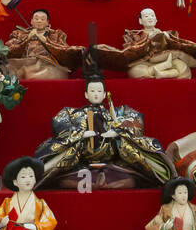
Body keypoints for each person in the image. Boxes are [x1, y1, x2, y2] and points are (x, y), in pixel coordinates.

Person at [35, 76, 172, 189]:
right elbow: (60, 122)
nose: (96, 94)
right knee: (64, 176)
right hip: (82, 164)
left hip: (112, 165)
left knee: (130, 172)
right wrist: (79, 134)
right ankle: (38, 173)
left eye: (99, 91)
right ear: (86, 94)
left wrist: (118, 132)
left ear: (104, 94)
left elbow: (135, 120)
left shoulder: (117, 112)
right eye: (92, 91)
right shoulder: (73, 113)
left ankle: (162, 173)